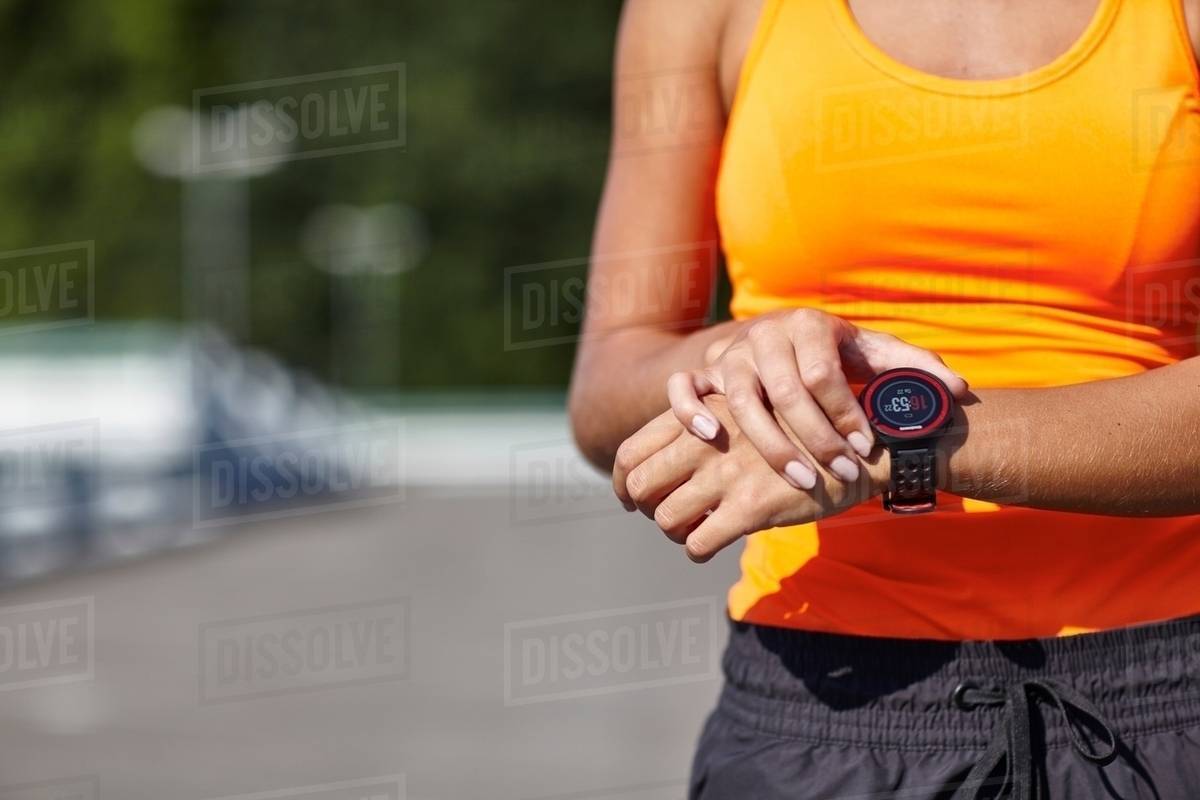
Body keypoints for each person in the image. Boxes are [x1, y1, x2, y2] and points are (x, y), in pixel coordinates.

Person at [567, 0, 1200, 796]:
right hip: (822, 706)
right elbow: (609, 385)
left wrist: (894, 434)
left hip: (1167, 699)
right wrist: (755, 358)